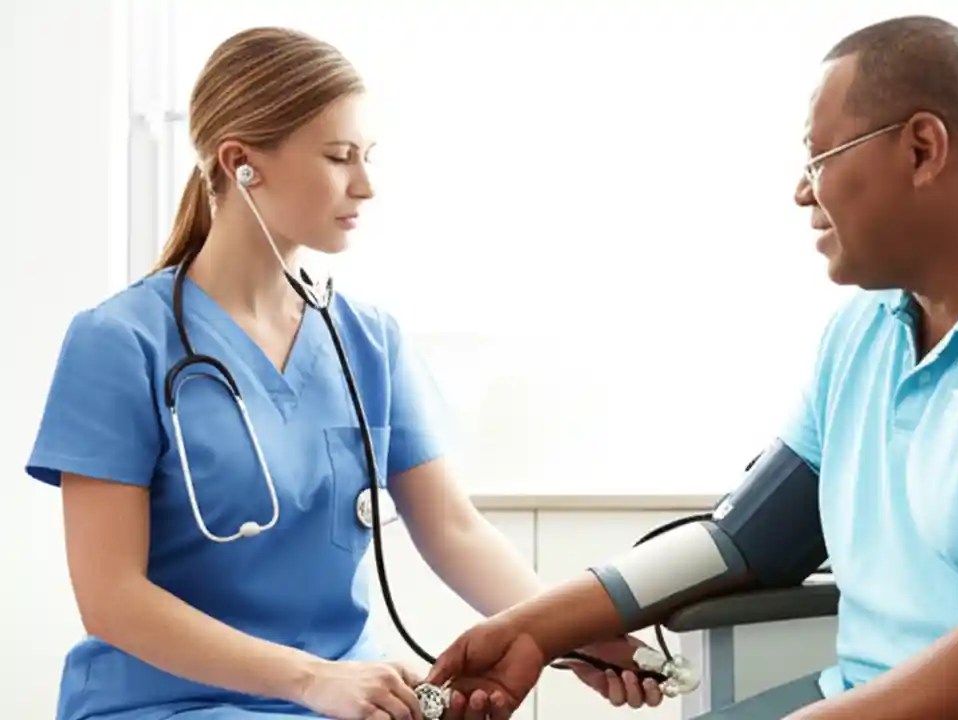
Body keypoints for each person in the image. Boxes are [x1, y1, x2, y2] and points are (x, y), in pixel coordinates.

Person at [422, 14, 958, 719]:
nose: (802, 193)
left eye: (818, 158)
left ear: (921, 149)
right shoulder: (866, 329)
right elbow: (749, 538)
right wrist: (538, 625)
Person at [25, 27, 663, 720]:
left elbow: (453, 529)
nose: (366, 184)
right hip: (165, 705)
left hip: (339, 701)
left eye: (369, 156)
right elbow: (110, 597)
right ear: (241, 163)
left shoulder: (367, 339)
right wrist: (310, 679)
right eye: (339, 157)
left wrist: (572, 636)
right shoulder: (120, 343)